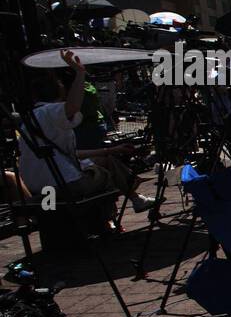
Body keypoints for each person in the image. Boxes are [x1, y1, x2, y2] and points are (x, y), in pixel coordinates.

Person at [16, 49, 155, 213]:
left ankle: (131, 198)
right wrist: (80, 73)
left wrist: (111, 150)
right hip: (62, 184)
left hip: (41, 185)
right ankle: (116, 211)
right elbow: (73, 107)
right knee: (105, 176)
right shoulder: (50, 112)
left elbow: (70, 154)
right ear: (61, 93)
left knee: (105, 160)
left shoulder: (33, 118)